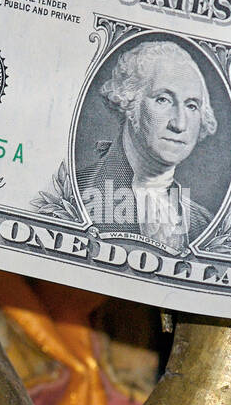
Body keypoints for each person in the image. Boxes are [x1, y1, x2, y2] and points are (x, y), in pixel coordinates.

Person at [77, 39, 217, 249]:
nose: (179, 124)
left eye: (191, 105)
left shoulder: (203, 223)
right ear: (129, 101)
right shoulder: (75, 195)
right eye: (163, 99)